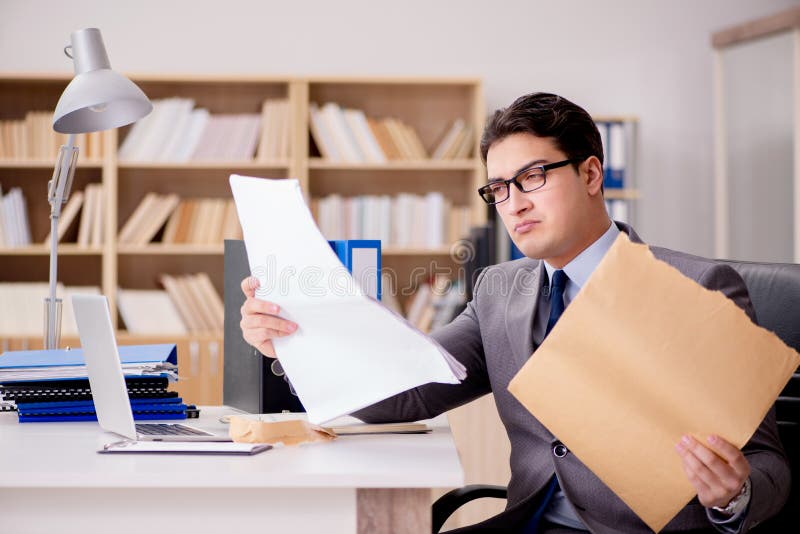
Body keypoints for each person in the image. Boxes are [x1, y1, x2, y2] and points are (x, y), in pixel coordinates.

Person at [239, 92, 789, 532]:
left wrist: (734, 495)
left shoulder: (698, 288)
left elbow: (768, 462)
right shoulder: (500, 289)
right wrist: (294, 341)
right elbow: (410, 388)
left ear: (592, 174)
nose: (515, 203)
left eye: (533, 177)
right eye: (499, 188)